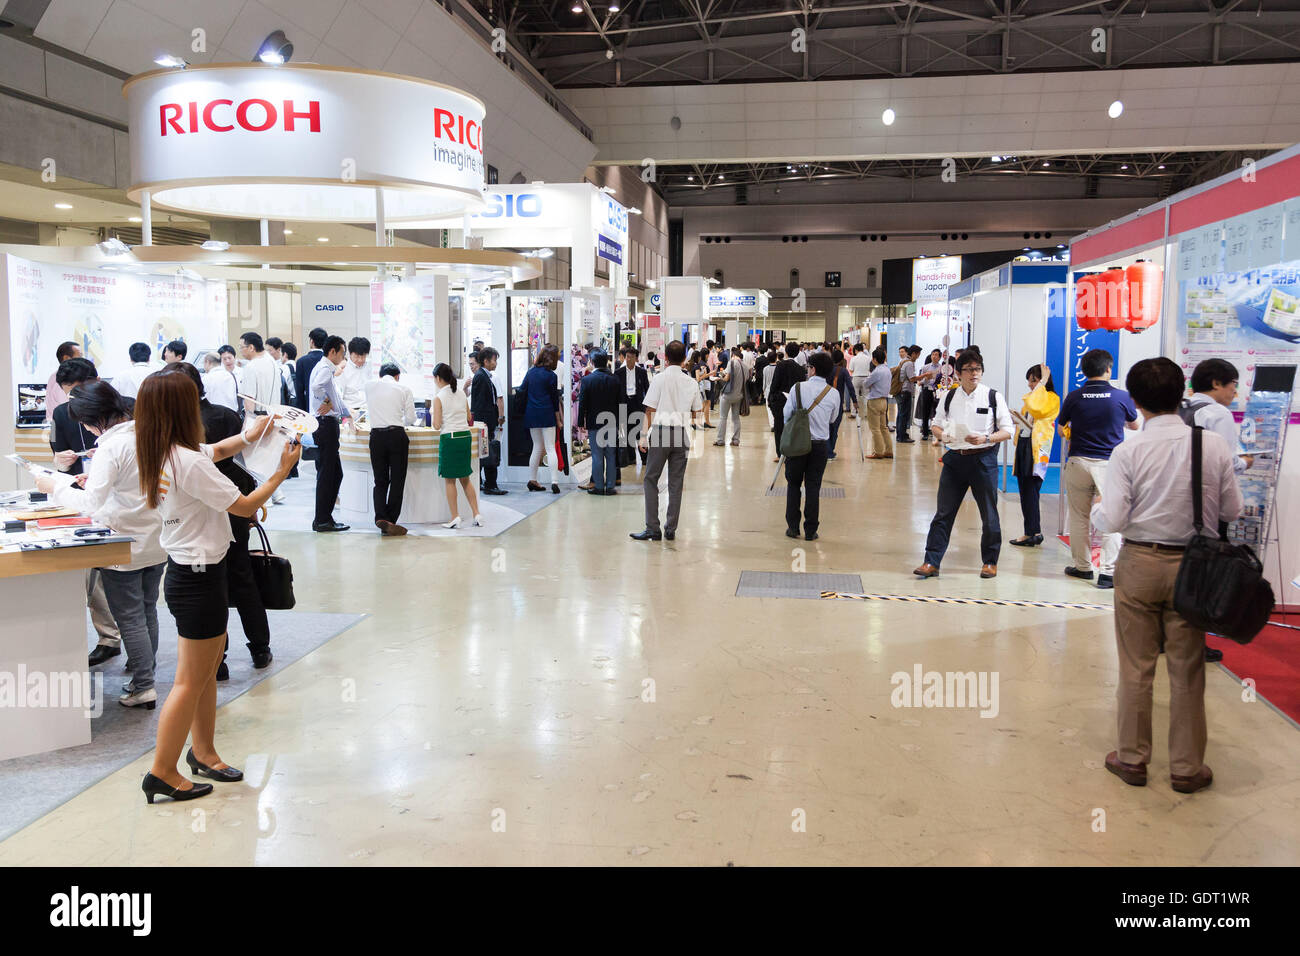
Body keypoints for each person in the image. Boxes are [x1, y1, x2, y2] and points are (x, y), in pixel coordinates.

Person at [134, 372, 299, 803]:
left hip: (193, 573)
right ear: (181, 410)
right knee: (190, 681)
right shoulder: (187, 462)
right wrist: (281, 471)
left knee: (204, 675)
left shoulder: (165, 452)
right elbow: (243, 506)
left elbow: (220, 449)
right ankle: (162, 771)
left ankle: (203, 752)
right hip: (199, 577)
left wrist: (252, 434)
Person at [1092, 357, 1242, 795]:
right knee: (1187, 668)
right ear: (1183, 394)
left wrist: (1100, 510)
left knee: (1136, 666)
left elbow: (1113, 519)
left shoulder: (1127, 450)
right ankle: (1187, 768)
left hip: (1139, 563)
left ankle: (1133, 758)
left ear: (1134, 401)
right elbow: (1231, 510)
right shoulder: (1211, 445)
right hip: (1194, 569)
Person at [36, 381, 165, 708]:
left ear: (94, 419)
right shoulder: (150, 432)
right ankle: (143, 677)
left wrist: (54, 486)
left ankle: (143, 685)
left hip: (123, 542)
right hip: (156, 537)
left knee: (130, 617)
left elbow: (91, 505)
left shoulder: (112, 446)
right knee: (147, 610)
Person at [166, 361, 273, 676]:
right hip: (229, 510)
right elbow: (235, 460)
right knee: (242, 578)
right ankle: (259, 648)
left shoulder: (176, 438)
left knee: (215, 587)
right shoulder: (223, 417)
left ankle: (218, 660)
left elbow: (217, 452)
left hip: (207, 520)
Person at [914, 350, 1015, 580]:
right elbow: (936, 425)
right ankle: (931, 561)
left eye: (977, 369)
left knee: (989, 514)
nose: (974, 374)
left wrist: (986, 439)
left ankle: (990, 561)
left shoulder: (992, 396)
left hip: (983, 460)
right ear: (957, 373)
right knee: (943, 512)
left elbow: (1008, 430)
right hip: (955, 460)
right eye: (968, 369)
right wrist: (946, 436)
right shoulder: (950, 397)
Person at [50, 358, 122, 663]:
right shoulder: (61, 414)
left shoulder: (123, 408)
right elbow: (56, 455)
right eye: (68, 394)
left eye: (78, 391)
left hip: (123, 502)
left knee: (128, 580)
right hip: (85, 495)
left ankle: (139, 650)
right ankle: (109, 637)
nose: (74, 400)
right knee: (92, 575)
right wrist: (61, 463)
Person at [1059, 348, 1139, 589]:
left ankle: (1083, 568)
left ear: (1084, 371)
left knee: (1079, 517)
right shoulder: (1122, 397)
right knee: (1112, 517)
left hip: (1078, 462)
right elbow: (1134, 425)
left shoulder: (1074, 396)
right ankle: (1108, 573)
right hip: (1109, 465)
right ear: (1108, 369)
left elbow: (1062, 427)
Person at [632, 339, 701, 542]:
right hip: (681, 434)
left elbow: (650, 410)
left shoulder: (660, 379)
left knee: (651, 479)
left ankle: (652, 528)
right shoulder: (691, 382)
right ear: (684, 360)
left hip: (661, 432)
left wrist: (643, 437)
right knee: (676, 483)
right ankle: (671, 528)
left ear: (666, 357)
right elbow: (697, 414)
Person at [783, 352, 840, 541]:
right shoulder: (833, 393)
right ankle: (811, 530)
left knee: (793, 484)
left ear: (813, 369)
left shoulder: (797, 388)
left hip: (798, 443)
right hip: (819, 446)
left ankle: (792, 527)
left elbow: (787, 414)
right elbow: (833, 419)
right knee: (813, 486)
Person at [1009, 364, 1060, 548]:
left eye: (1034, 380)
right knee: (1025, 491)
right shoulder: (1033, 397)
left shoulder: (1052, 398)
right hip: (1024, 446)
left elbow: (1037, 409)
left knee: (1031, 491)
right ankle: (1032, 531)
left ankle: (1032, 533)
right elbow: (1030, 413)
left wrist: (1043, 383)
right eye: (1029, 381)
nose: (1030, 385)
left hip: (1037, 449)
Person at [363, 363, 417, 535]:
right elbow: (410, 418)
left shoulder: (369, 386)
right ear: (397, 376)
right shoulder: (404, 389)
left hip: (376, 437)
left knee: (380, 480)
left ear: (380, 375)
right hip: (396, 436)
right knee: (397, 480)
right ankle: (391, 520)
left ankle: (380, 516)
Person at [309, 335, 352, 532]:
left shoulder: (325, 368)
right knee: (328, 473)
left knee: (334, 473)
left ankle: (325, 517)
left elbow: (334, 396)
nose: (343, 357)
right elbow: (317, 387)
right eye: (342, 353)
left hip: (325, 424)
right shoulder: (326, 368)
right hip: (325, 425)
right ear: (333, 352)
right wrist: (327, 402)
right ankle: (322, 519)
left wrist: (347, 414)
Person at [431, 362, 482, 528]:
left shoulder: (438, 397)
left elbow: (437, 425)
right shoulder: (461, 393)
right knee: (465, 479)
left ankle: (455, 517)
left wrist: (434, 413)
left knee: (450, 481)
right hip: (465, 437)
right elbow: (468, 416)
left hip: (450, 439)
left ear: (438, 378)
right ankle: (477, 514)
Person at [1184, 358, 1252, 473]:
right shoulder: (1218, 413)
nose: (1235, 391)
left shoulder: (1179, 407)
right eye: (1234, 383)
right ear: (1216, 383)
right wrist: (1245, 462)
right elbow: (1227, 463)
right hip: (1203, 486)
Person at [578, 351, 622, 494]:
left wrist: (580, 422)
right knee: (610, 455)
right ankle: (610, 487)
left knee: (597, 456)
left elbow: (582, 403)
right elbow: (621, 402)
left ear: (592, 362)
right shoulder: (615, 379)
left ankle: (598, 486)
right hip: (612, 422)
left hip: (594, 423)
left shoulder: (587, 380)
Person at [521, 346, 563, 493]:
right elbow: (554, 400)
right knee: (550, 447)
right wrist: (558, 420)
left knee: (537, 447)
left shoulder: (531, 372)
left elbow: (522, 390)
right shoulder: (551, 376)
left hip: (532, 414)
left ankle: (532, 480)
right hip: (547, 414)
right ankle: (554, 481)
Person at [471, 347, 507, 496]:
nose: (496, 363)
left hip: (487, 422)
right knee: (488, 453)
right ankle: (489, 484)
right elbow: (478, 403)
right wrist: (481, 423)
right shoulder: (481, 377)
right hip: (484, 423)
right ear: (486, 361)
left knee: (488, 453)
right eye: (494, 360)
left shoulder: (486, 376)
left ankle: (488, 484)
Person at [615, 346, 650, 482]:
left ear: (636, 358)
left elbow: (647, 388)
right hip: (623, 404)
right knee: (625, 432)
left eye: (632, 357)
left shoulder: (641, 372)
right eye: (627, 357)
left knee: (640, 432)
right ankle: (629, 458)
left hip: (637, 403)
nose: (629, 359)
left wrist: (647, 406)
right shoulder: (618, 372)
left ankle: (645, 458)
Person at [768, 342, 805, 462]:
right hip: (794, 401)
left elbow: (775, 384)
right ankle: (792, 452)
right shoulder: (800, 369)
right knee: (792, 427)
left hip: (780, 400)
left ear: (786, 352)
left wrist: (771, 398)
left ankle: (780, 454)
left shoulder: (781, 365)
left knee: (779, 427)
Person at [863, 347, 893, 459]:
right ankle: (889, 450)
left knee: (875, 428)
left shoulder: (876, 371)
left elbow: (866, 383)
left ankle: (878, 452)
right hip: (884, 401)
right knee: (883, 427)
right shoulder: (887, 370)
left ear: (874, 359)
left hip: (874, 400)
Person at [239, 331, 279, 415]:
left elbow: (249, 398)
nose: (240, 351)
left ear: (251, 347)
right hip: (274, 414)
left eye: (241, 347)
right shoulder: (272, 361)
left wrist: (248, 422)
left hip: (259, 416)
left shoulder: (251, 366)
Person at [713, 347, 746, 447]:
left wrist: (721, 376)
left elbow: (726, 378)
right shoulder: (745, 365)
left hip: (728, 394)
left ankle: (720, 440)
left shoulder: (731, 362)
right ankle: (736, 440)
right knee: (736, 418)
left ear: (733, 355)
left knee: (723, 417)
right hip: (739, 395)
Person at [826, 349, 854, 460]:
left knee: (826, 427)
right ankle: (830, 451)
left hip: (825, 402)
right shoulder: (843, 371)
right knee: (834, 428)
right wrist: (855, 401)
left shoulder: (826, 370)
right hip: (838, 403)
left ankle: (828, 451)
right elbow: (850, 387)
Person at [45, 340, 81, 422]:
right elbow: (69, 409)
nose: (83, 360)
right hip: (66, 426)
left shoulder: (54, 376)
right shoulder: (63, 379)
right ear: (66, 358)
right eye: (80, 356)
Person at [337, 336, 371, 418]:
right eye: (356, 356)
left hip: (368, 410)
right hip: (350, 410)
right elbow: (339, 395)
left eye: (363, 356)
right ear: (350, 353)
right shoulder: (343, 368)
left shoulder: (370, 366)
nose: (360, 360)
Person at [295, 327, 327, 412]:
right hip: (327, 408)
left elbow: (299, 391)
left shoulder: (301, 361)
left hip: (308, 408)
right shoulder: (329, 360)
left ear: (311, 341)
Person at [915, 348, 943, 439]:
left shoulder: (941, 368)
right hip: (927, 390)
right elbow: (919, 380)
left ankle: (936, 433)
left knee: (936, 412)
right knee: (925, 411)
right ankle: (925, 433)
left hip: (937, 391)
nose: (934, 356)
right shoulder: (925, 367)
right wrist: (925, 379)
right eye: (933, 354)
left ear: (939, 357)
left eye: (936, 355)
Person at [896, 345, 919, 443]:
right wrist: (924, 376)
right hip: (905, 391)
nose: (917, 357)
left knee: (901, 414)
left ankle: (900, 435)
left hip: (901, 390)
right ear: (913, 353)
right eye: (918, 355)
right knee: (904, 414)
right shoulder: (909, 363)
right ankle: (902, 437)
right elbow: (912, 378)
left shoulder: (903, 361)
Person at [691, 350, 715, 429]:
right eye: (708, 354)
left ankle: (704, 422)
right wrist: (709, 374)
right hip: (703, 386)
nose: (708, 356)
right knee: (703, 404)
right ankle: (698, 422)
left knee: (706, 403)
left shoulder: (700, 364)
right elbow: (700, 377)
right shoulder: (700, 365)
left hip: (704, 385)